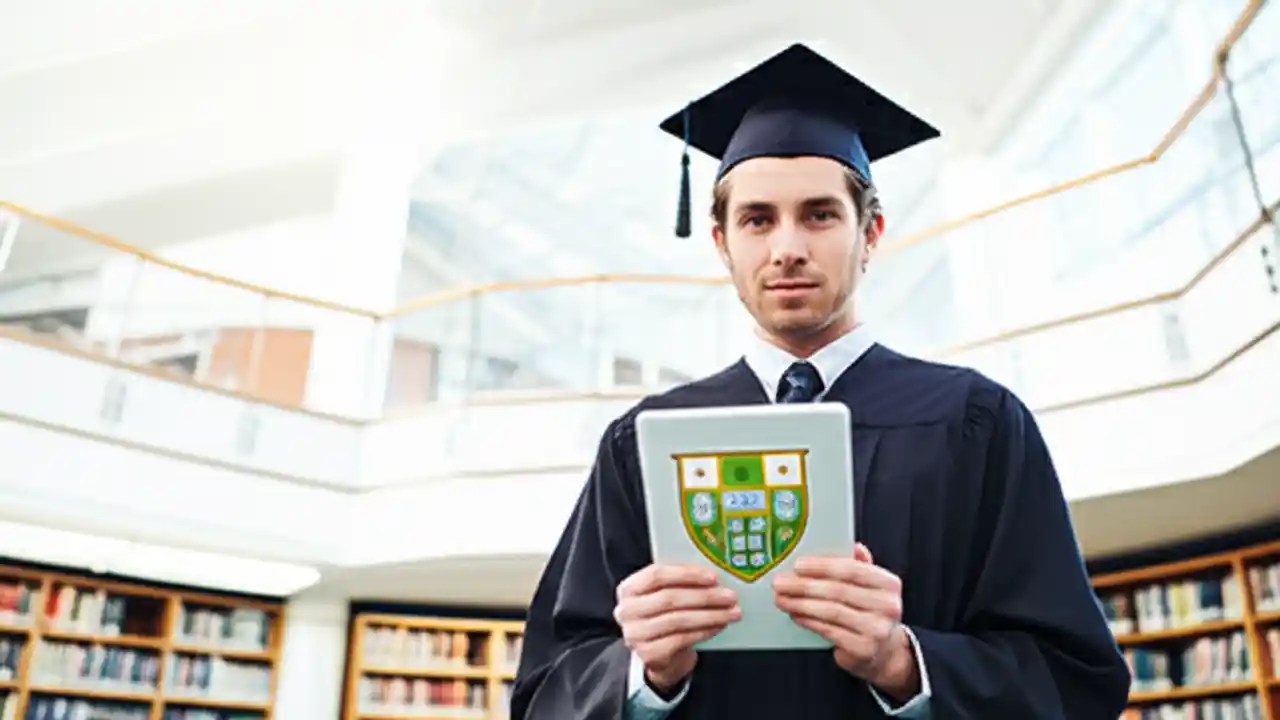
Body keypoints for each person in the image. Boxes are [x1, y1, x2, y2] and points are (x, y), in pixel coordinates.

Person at [509, 43, 1131, 719]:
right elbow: (547, 691)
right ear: (721, 243)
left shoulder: (976, 421)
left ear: (871, 232)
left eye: (819, 214)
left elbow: (1075, 683)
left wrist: (902, 662)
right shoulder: (639, 444)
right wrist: (643, 674)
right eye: (756, 219)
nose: (787, 248)